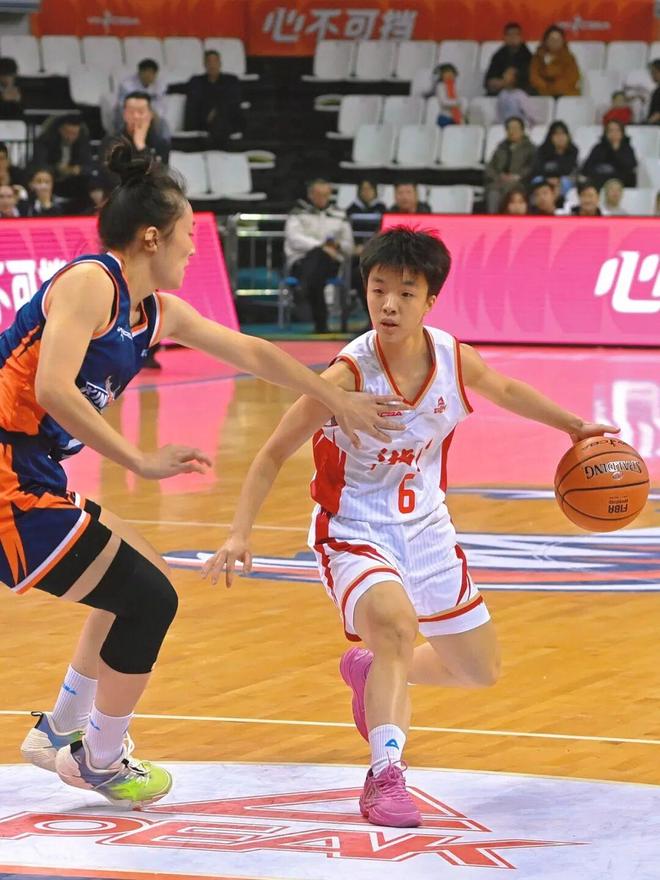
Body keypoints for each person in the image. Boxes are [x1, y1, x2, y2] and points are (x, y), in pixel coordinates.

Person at [14, 140, 402, 808]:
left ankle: (60, 729)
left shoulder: (154, 312)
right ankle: (100, 756)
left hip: (31, 472)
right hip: (6, 477)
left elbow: (251, 351)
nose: (196, 248)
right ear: (152, 237)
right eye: (189, 234)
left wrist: (333, 396)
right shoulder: (91, 283)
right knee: (150, 600)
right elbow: (52, 387)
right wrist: (138, 460)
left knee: (138, 567)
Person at [203, 226, 618, 828]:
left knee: (477, 671)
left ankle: (371, 672)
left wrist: (573, 426)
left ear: (430, 300)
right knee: (396, 627)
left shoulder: (452, 358)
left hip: (427, 529)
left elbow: (504, 388)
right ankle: (385, 775)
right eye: (378, 290)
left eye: (405, 292)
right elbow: (271, 453)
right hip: (354, 528)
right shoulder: (346, 376)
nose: (389, 304)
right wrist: (239, 532)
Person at [284, 179, 354, 334]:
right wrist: (322, 246)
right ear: (310, 195)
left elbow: (349, 246)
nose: (322, 198)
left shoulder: (339, 215)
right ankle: (321, 324)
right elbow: (294, 239)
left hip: (331, 264)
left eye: (325, 194)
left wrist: (336, 246)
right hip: (301, 262)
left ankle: (303, 289)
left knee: (316, 269)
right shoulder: (298, 213)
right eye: (318, 194)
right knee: (316, 269)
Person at [100, 92, 170, 190]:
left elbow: (158, 176)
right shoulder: (111, 141)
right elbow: (111, 178)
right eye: (131, 112)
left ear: (150, 115)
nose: (136, 116)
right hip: (121, 195)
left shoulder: (160, 142)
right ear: (124, 114)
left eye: (141, 112)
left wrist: (141, 146)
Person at [32, 114, 93, 209]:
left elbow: (89, 165)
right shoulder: (46, 140)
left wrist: (78, 169)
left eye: (74, 134)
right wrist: (57, 169)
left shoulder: (82, 142)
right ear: (60, 130)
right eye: (68, 132)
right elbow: (40, 163)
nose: (71, 137)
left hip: (73, 181)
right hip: (53, 177)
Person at [184, 50, 242, 148]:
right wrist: (208, 114)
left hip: (226, 119)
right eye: (209, 62)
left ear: (220, 63)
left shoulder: (231, 81)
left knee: (221, 118)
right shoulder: (196, 82)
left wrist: (216, 111)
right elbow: (195, 103)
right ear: (204, 64)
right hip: (203, 121)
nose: (212, 65)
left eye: (215, 61)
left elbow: (233, 101)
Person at [484, 116, 536, 214]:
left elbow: (532, 167)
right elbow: (490, 167)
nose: (512, 131)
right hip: (499, 181)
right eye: (509, 128)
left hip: (520, 182)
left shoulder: (530, 148)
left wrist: (517, 176)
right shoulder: (500, 148)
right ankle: (492, 219)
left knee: (507, 189)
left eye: (515, 128)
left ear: (522, 130)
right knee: (493, 191)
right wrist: (498, 177)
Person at [581, 120, 637, 189]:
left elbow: (630, 167)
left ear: (622, 133)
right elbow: (586, 168)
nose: (614, 133)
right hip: (599, 182)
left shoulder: (627, 148)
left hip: (620, 183)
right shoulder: (598, 148)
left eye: (617, 130)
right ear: (606, 133)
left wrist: (616, 152)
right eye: (611, 130)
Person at [115, 59, 167, 132]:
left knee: (162, 125)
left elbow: (161, 105)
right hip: (130, 117)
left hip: (150, 117)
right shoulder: (127, 85)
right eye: (145, 72)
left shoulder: (160, 86)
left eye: (152, 73)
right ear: (139, 72)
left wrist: (154, 115)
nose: (149, 76)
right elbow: (123, 106)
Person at [529, 25, 580, 98]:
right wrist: (546, 86)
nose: (555, 42)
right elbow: (534, 77)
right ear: (546, 40)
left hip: (565, 94)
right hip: (542, 93)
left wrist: (553, 88)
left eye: (558, 39)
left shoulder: (569, 58)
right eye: (552, 39)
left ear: (563, 41)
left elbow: (571, 79)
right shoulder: (537, 57)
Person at [529, 121, 578, 196]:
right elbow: (537, 169)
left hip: (562, 181)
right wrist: (547, 179)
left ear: (568, 136)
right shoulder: (542, 150)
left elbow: (569, 170)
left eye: (563, 134)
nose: (560, 137)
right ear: (550, 137)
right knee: (537, 180)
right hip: (544, 179)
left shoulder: (573, 151)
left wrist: (558, 180)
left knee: (566, 182)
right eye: (556, 134)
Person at [484, 22, 532, 95]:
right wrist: (494, 82)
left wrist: (513, 77)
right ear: (504, 38)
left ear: (521, 38)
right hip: (500, 93)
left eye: (516, 34)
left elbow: (528, 78)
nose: (512, 37)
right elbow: (489, 79)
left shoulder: (528, 56)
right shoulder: (498, 55)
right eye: (509, 34)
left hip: (521, 93)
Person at [645, 59, 660, 124]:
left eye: (654, 72)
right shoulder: (656, 91)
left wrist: (646, 124)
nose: (652, 74)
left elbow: (658, 114)